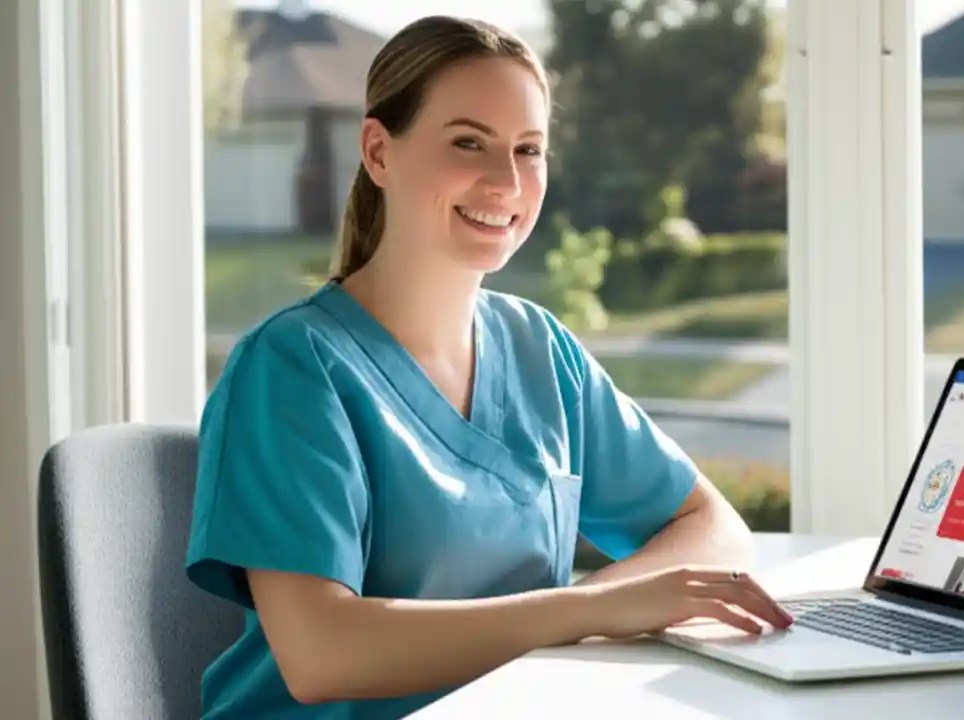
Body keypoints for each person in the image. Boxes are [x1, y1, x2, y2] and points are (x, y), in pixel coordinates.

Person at [184, 15, 793, 719]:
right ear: (379, 152)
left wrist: (606, 606)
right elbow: (321, 653)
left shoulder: (540, 348)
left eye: (528, 149)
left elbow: (712, 528)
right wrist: (592, 607)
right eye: (468, 142)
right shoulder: (292, 369)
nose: (506, 181)